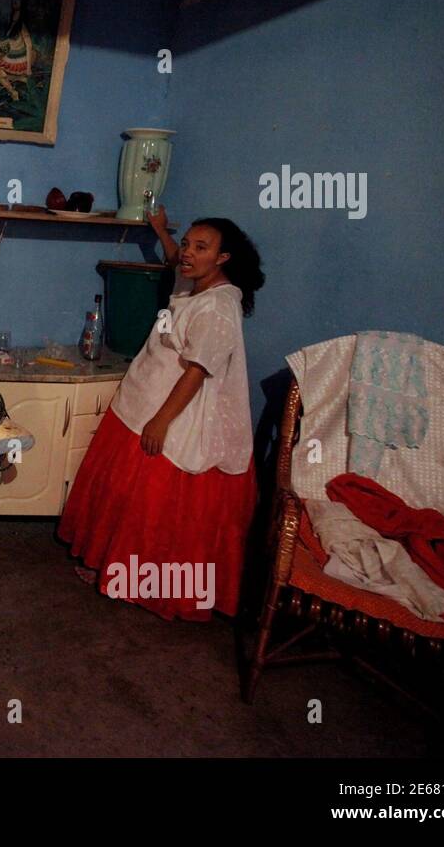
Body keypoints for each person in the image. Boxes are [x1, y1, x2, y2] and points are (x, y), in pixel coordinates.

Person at [57, 208, 264, 621]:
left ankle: (143, 582)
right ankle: (110, 563)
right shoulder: (194, 280)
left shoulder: (219, 308)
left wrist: (161, 422)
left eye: (200, 248)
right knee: (122, 494)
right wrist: (159, 230)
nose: (187, 253)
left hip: (173, 409)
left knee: (155, 505)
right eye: (187, 243)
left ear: (223, 258)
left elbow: (197, 371)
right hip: (143, 395)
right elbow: (174, 261)